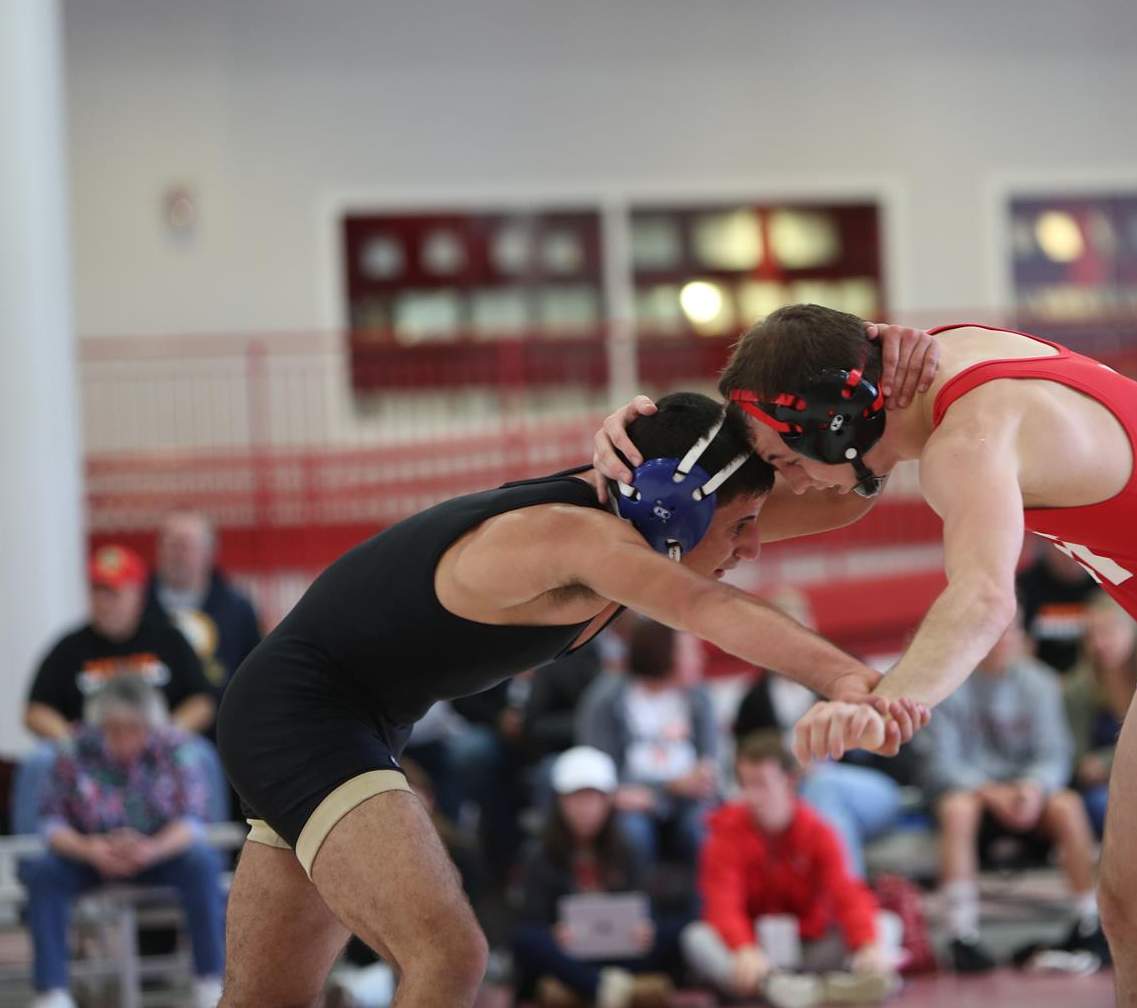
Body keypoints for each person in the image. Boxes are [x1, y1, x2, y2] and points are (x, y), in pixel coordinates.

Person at [597, 303, 1137, 1006]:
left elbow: (984, 599)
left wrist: (885, 699)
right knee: (1133, 910)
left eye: (790, 459)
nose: (792, 483)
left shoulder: (967, 441)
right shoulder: (928, 359)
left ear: (835, 422)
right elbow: (828, 344)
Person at [213, 387, 930, 1008]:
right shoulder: (568, 538)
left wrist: (888, 413)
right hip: (304, 713)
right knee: (450, 952)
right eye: (741, 527)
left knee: (265, 999)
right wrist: (842, 677)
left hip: (355, 718)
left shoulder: (653, 519)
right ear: (672, 508)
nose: (753, 549)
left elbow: (838, 505)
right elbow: (711, 610)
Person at [22, 676, 225, 1008]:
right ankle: (52, 991)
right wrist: (91, 849)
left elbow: (193, 819)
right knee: (44, 872)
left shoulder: (174, 746)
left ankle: (211, 980)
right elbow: (51, 822)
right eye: (115, 730)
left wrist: (154, 848)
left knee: (203, 863)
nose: (126, 740)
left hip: (159, 853)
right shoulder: (73, 748)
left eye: (136, 729)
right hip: (91, 854)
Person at [924, 611, 1100, 973]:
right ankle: (961, 933)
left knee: (1067, 805)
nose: (1004, 638)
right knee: (957, 809)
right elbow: (939, 764)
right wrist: (989, 792)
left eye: (1012, 630)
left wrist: (1033, 788)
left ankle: (1090, 919)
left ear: (1023, 638)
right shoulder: (947, 683)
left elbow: (1056, 754)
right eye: (995, 631)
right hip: (975, 798)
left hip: (1028, 797)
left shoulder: (1040, 682)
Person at [682, 732, 902, 1008]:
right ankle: (795, 988)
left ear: (790, 781)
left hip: (811, 945)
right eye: (746, 784)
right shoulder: (725, 832)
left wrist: (867, 944)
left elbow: (847, 892)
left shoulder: (818, 831)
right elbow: (722, 905)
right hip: (758, 955)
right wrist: (744, 949)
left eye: (761, 784)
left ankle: (826, 984)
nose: (752, 795)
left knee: (885, 925)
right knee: (697, 938)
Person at [731, 587, 904, 877]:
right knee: (807, 802)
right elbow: (747, 763)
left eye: (798, 632)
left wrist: (826, 759)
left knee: (822, 786)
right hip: (796, 798)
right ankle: (832, 898)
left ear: (813, 631)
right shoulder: (755, 699)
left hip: (867, 786)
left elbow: (887, 746)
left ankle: (844, 893)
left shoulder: (849, 675)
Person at [512, 747, 679, 1008]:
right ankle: (604, 985)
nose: (585, 809)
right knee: (526, 941)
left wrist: (646, 930)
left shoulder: (628, 848)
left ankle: (600, 982)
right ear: (560, 802)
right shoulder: (539, 854)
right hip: (568, 955)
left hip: (621, 952)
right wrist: (554, 933)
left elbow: (648, 908)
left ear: (608, 802)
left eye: (593, 799)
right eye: (576, 799)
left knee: (679, 931)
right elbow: (531, 921)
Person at [26, 544, 216, 741]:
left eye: (113, 593)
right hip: (89, 753)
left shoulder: (169, 640)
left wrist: (170, 733)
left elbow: (202, 702)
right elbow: (35, 710)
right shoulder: (68, 648)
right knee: (40, 761)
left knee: (201, 755)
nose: (103, 602)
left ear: (138, 596)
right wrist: (69, 738)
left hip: (159, 750)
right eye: (97, 591)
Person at [575, 618, 719, 868]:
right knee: (632, 835)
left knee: (704, 829)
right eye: (689, 650)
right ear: (663, 653)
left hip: (688, 803)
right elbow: (601, 772)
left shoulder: (699, 698)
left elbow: (710, 765)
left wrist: (696, 779)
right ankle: (639, 907)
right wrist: (670, 788)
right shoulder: (607, 700)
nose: (700, 658)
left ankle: (704, 908)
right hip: (630, 805)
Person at [147, 510, 264, 699]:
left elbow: (256, 674)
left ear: (210, 553)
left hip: (221, 723)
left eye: (186, 546)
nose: (177, 555)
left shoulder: (237, 609)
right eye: (171, 545)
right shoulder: (137, 605)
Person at [1062, 596, 1137, 836]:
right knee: (1101, 806)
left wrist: (1107, 762)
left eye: (1109, 632)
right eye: (1092, 634)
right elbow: (1080, 759)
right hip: (1104, 787)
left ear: (1132, 632)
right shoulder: (1078, 687)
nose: (1100, 643)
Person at [1017, 535, 1099, 674]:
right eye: (1062, 548)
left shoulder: (1102, 586)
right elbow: (1018, 641)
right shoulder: (1026, 585)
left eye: (1075, 550)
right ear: (1047, 545)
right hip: (1037, 676)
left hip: (1091, 677)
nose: (1069, 556)